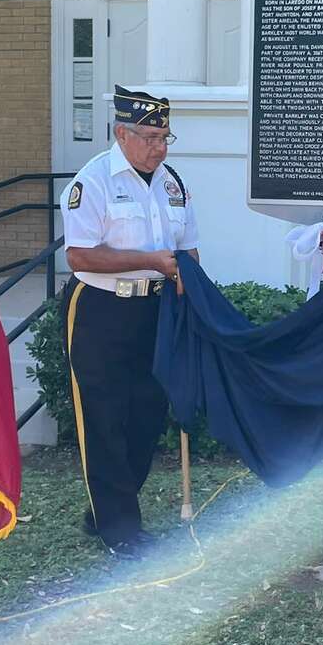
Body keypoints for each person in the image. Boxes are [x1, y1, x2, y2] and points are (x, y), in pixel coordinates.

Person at [59, 86, 199, 558]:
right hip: (100, 308)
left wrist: (189, 285)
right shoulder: (93, 181)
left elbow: (188, 247)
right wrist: (150, 260)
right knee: (103, 416)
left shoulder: (172, 183)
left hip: (155, 310)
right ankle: (119, 528)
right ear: (122, 134)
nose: (160, 148)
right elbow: (79, 255)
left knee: (147, 412)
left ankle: (106, 507)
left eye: (165, 137)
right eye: (150, 137)